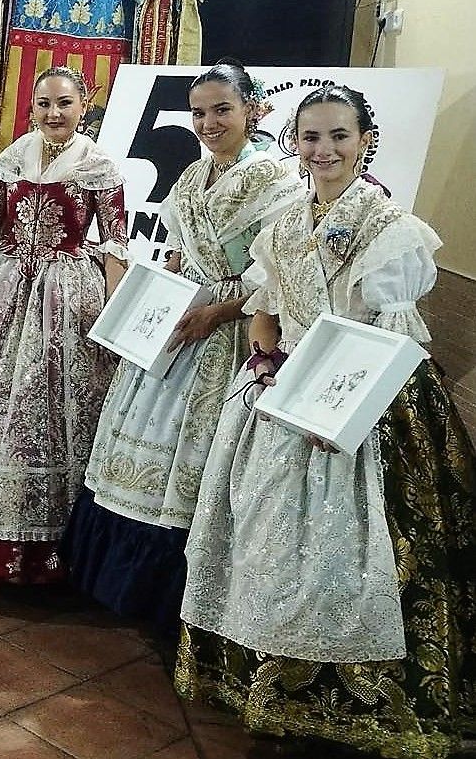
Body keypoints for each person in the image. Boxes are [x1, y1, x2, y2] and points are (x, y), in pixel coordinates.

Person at [176, 85, 476, 759]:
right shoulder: (284, 223)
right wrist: (260, 358)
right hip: (289, 391)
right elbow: (266, 305)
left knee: (358, 553)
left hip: (369, 395)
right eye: (310, 137)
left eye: (339, 136)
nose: (324, 150)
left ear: (365, 139)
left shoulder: (389, 227)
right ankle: (279, 686)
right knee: (269, 545)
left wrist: (344, 404)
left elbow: (395, 333)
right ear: (294, 143)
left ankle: (358, 698)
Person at [62, 61, 305, 631]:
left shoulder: (278, 181)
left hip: (229, 332)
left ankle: (177, 601)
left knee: (196, 463)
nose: (209, 122)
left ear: (253, 109)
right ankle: (118, 582)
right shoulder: (194, 176)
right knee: (138, 444)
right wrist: (164, 283)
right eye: (199, 112)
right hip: (178, 323)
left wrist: (218, 312)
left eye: (223, 109)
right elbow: (177, 249)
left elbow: (276, 272)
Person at [0, 66, 127, 583]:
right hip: (5, 289)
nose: (54, 113)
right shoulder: (10, 160)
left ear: (84, 105)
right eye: (44, 104)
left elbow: (116, 245)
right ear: (31, 108)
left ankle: (53, 547)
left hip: (67, 292)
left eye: (65, 103)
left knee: (53, 407)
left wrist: (114, 313)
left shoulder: (99, 166)